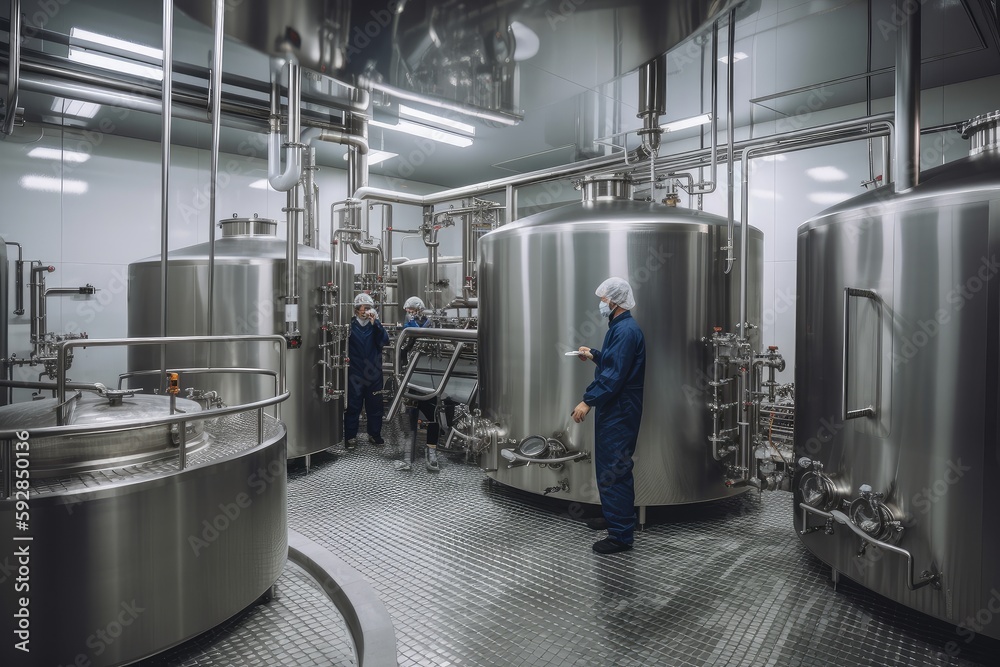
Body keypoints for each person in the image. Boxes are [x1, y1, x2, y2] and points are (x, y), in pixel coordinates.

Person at [571, 277, 646, 554]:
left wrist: (587, 401)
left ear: (614, 301)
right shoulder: (620, 327)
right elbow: (615, 363)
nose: (601, 303)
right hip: (616, 408)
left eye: (604, 299)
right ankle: (614, 516)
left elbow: (614, 377)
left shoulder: (625, 331)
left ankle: (621, 536)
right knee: (610, 467)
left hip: (619, 409)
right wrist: (594, 354)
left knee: (615, 468)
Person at [396, 296, 448, 472]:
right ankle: (407, 457)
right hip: (411, 379)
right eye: (408, 311)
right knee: (409, 418)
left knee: (433, 416)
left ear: (419, 310)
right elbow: (403, 350)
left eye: (411, 310)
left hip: (429, 378)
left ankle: (431, 453)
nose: (409, 314)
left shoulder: (432, 326)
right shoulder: (408, 329)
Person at [345, 292, 389, 449]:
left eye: (368, 308)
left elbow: (384, 341)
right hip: (355, 373)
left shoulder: (375, 326)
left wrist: (376, 324)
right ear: (356, 310)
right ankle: (350, 437)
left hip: (373, 374)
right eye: (363, 308)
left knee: (375, 406)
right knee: (353, 406)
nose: (366, 311)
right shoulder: (350, 326)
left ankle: (374, 435)